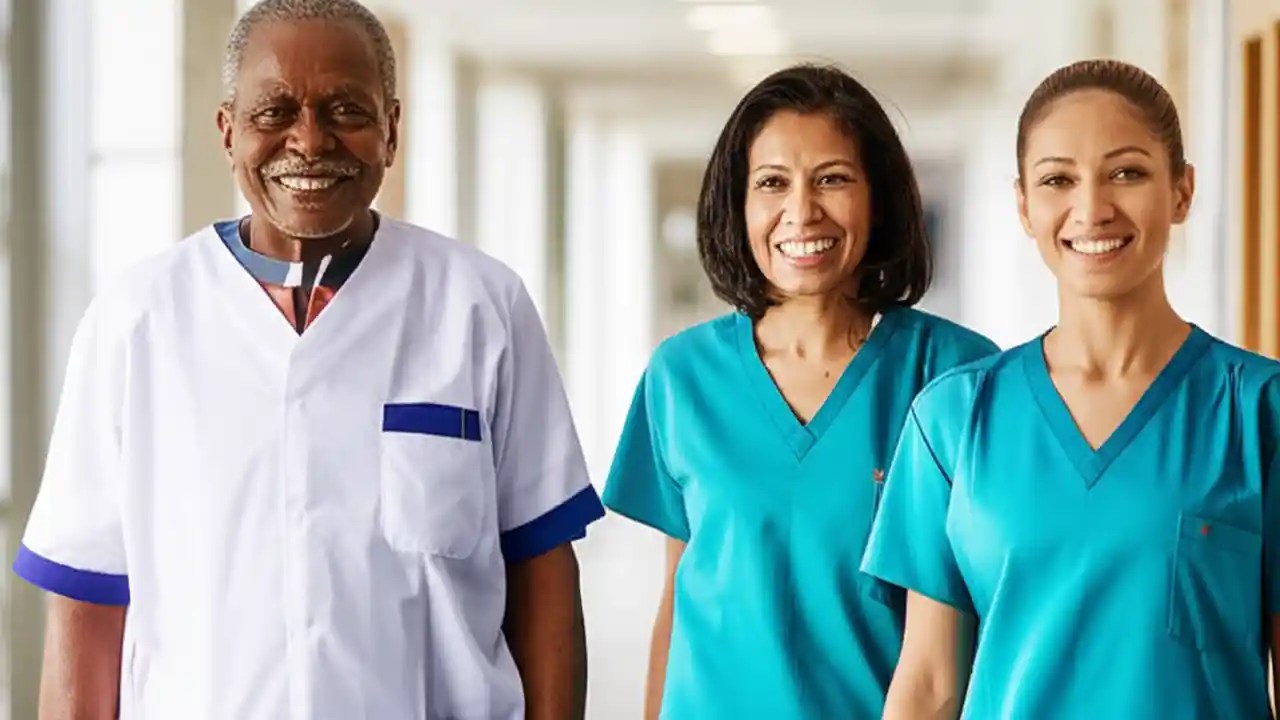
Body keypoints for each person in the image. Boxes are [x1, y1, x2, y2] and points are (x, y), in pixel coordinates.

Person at [13, 1, 603, 718]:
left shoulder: (479, 306)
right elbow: (86, 602)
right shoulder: (136, 321)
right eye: (275, 112)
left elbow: (542, 579)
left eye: (345, 110)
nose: (309, 140)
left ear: (392, 130)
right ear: (228, 131)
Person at [863, 58, 1280, 719]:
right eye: (1058, 179)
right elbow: (929, 687)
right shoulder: (952, 420)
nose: (1092, 208)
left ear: (1182, 191)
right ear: (1025, 206)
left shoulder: (1260, 413)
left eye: (1127, 172)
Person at [600, 64, 999, 719]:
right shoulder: (682, 376)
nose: (801, 212)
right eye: (772, 183)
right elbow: (679, 596)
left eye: (833, 179)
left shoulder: (955, 376)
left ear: (879, 198)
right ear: (739, 203)